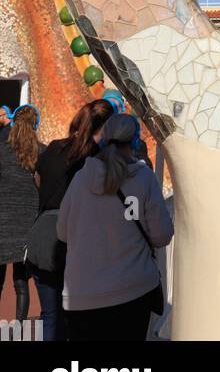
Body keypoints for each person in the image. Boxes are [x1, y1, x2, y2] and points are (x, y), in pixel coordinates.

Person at [58, 112, 173, 341]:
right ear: (135, 141)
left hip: (81, 295)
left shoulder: (81, 179)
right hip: (132, 291)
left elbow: (62, 232)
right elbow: (162, 235)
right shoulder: (144, 179)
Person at [27, 97, 114, 340]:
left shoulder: (54, 147)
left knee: (50, 316)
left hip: (42, 237)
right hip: (78, 240)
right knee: (78, 318)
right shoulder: (97, 159)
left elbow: (38, 179)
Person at [0, 104, 41, 322]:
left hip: (2, 221)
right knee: (21, 282)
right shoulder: (40, 152)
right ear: (35, 125)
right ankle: (18, 330)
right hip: (28, 223)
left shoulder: (1, 151)